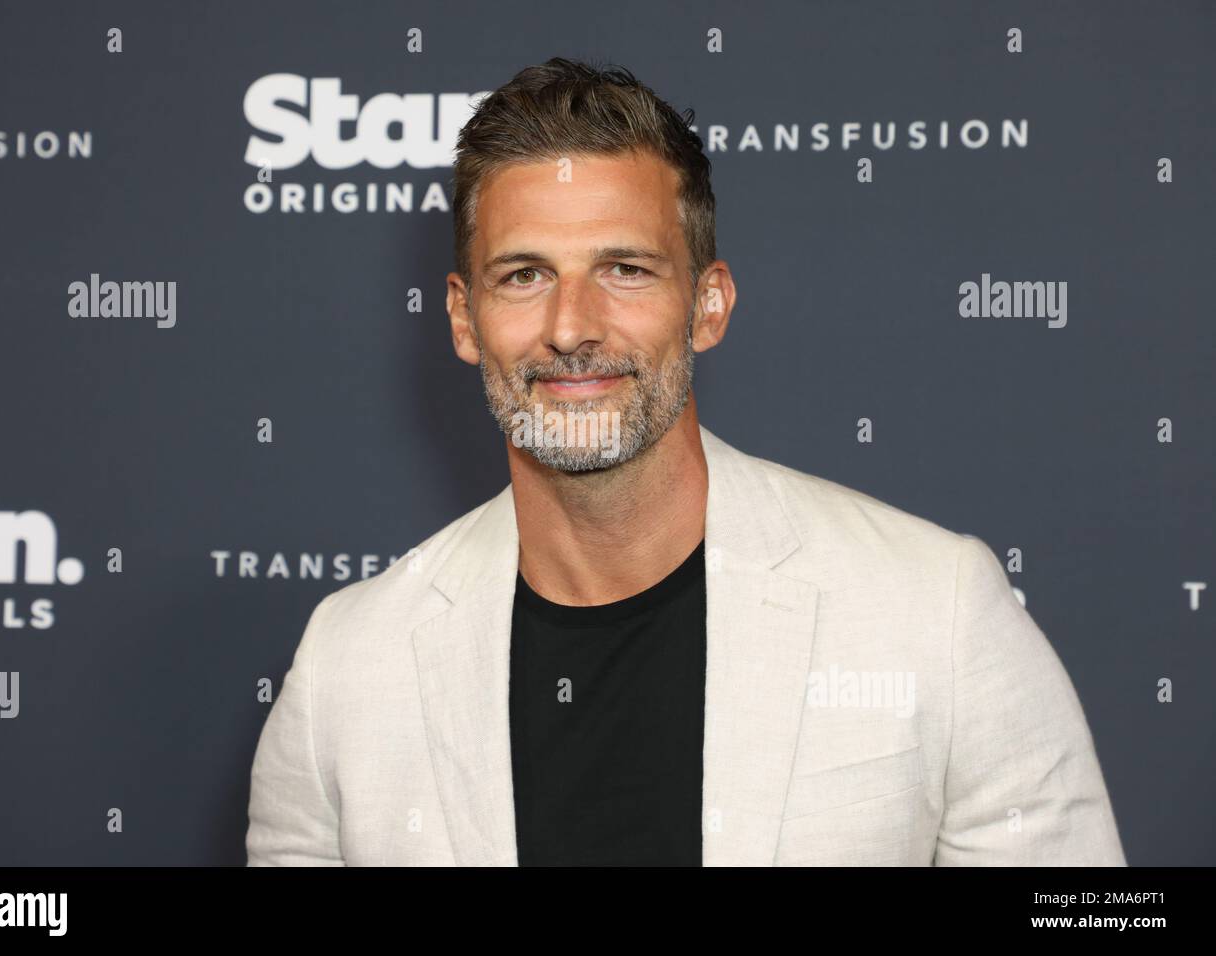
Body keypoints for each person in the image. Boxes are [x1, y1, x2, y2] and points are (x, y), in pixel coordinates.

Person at [246, 57, 1126, 866]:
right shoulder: (348, 666)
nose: (570, 326)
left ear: (708, 305)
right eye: (523, 275)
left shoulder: (936, 610)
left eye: (625, 269)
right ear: (464, 320)